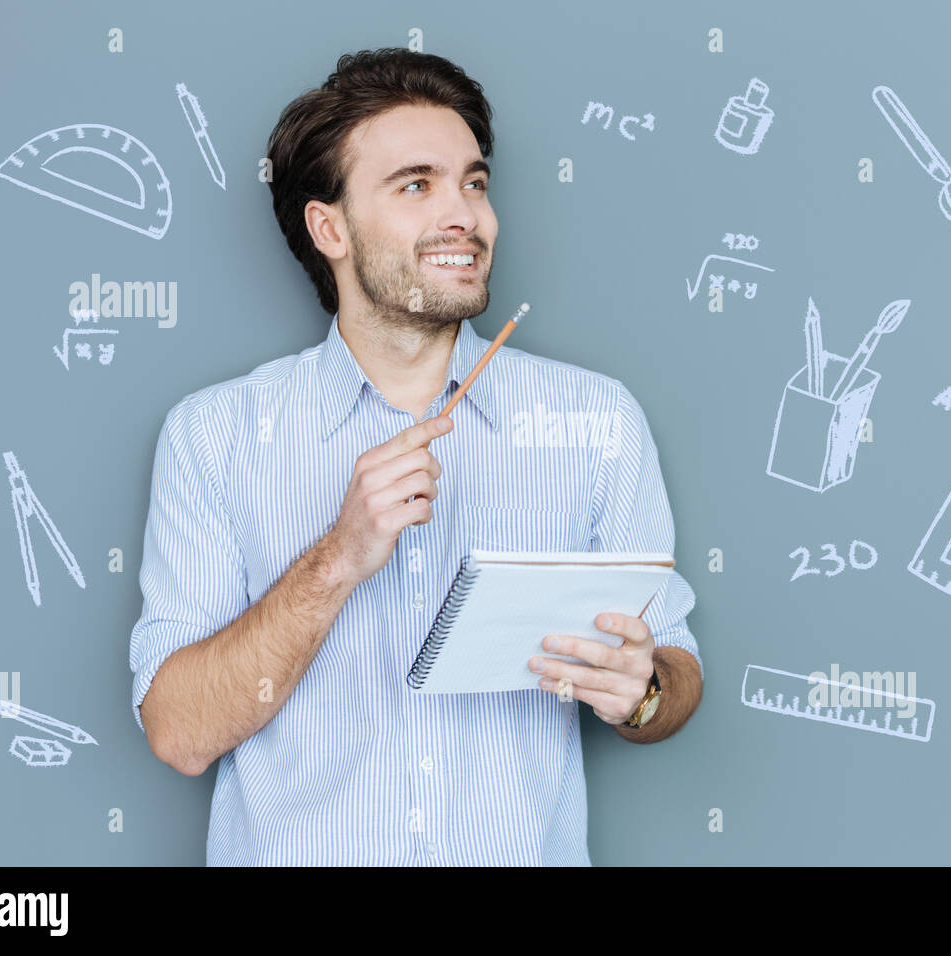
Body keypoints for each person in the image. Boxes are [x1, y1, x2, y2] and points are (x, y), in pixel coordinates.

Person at [129, 48, 702, 866]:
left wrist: (642, 694)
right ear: (329, 228)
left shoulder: (596, 419)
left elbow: (676, 671)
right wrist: (338, 559)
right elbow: (179, 732)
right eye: (415, 185)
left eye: (474, 181)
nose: (464, 214)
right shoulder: (213, 436)